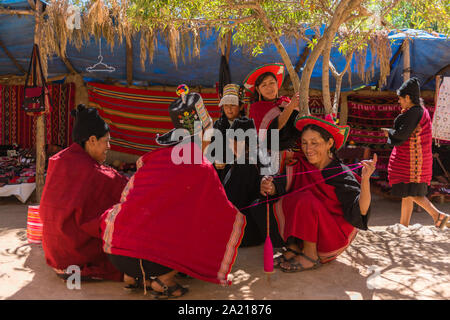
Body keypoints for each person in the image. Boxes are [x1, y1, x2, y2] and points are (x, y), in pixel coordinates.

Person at [101, 90, 246, 299]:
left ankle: (133, 277)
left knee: (147, 216)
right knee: (201, 223)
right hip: (150, 257)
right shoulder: (200, 166)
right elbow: (219, 212)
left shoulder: (152, 159)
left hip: (116, 252)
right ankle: (164, 280)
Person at [261, 115, 377, 272]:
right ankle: (294, 247)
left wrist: (365, 180)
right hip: (310, 231)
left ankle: (310, 256)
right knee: (277, 200)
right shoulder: (301, 164)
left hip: (331, 236)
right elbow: (281, 184)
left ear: (329, 143)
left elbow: (361, 210)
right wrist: (270, 186)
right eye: (304, 143)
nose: (308, 149)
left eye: (314, 143)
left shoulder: (340, 173)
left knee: (306, 198)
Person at [39, 104, 128, 281]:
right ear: (92, 140)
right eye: (106, 141)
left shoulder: (59, 160)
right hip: (76, 256)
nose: (109, 146)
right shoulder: (95, 173)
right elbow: (130, 190)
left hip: (55, 253)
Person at [381, 77, 449, 229]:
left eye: (400, 99)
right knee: (408, 193)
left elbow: (402, 134)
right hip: (417, 160)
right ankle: (403, 225)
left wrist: (390, 133)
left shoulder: (414, 112)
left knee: (409, 191)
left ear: (408, 97)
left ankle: (437, 215)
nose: (399, 102)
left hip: (411, 162)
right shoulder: (419, 111)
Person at [212, 84, 263, 246]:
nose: (229, 108)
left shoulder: (247, 124)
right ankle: (225, 234)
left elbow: (251, 150)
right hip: (223, 171)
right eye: (226, 105)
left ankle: (246, 238)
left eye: (233, 105)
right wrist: (216, 161)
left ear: (241, 106)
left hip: (244, 171)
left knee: (239, 200)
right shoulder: (218, 125)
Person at [244, 63, 301, 151]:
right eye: (264, 85)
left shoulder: (285, 102)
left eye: (272, 83)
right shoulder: (256, 108)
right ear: (258, 89)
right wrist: (291, 106)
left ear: (277, 84)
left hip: (293, 154)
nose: (269, 87)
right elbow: (276, 127)